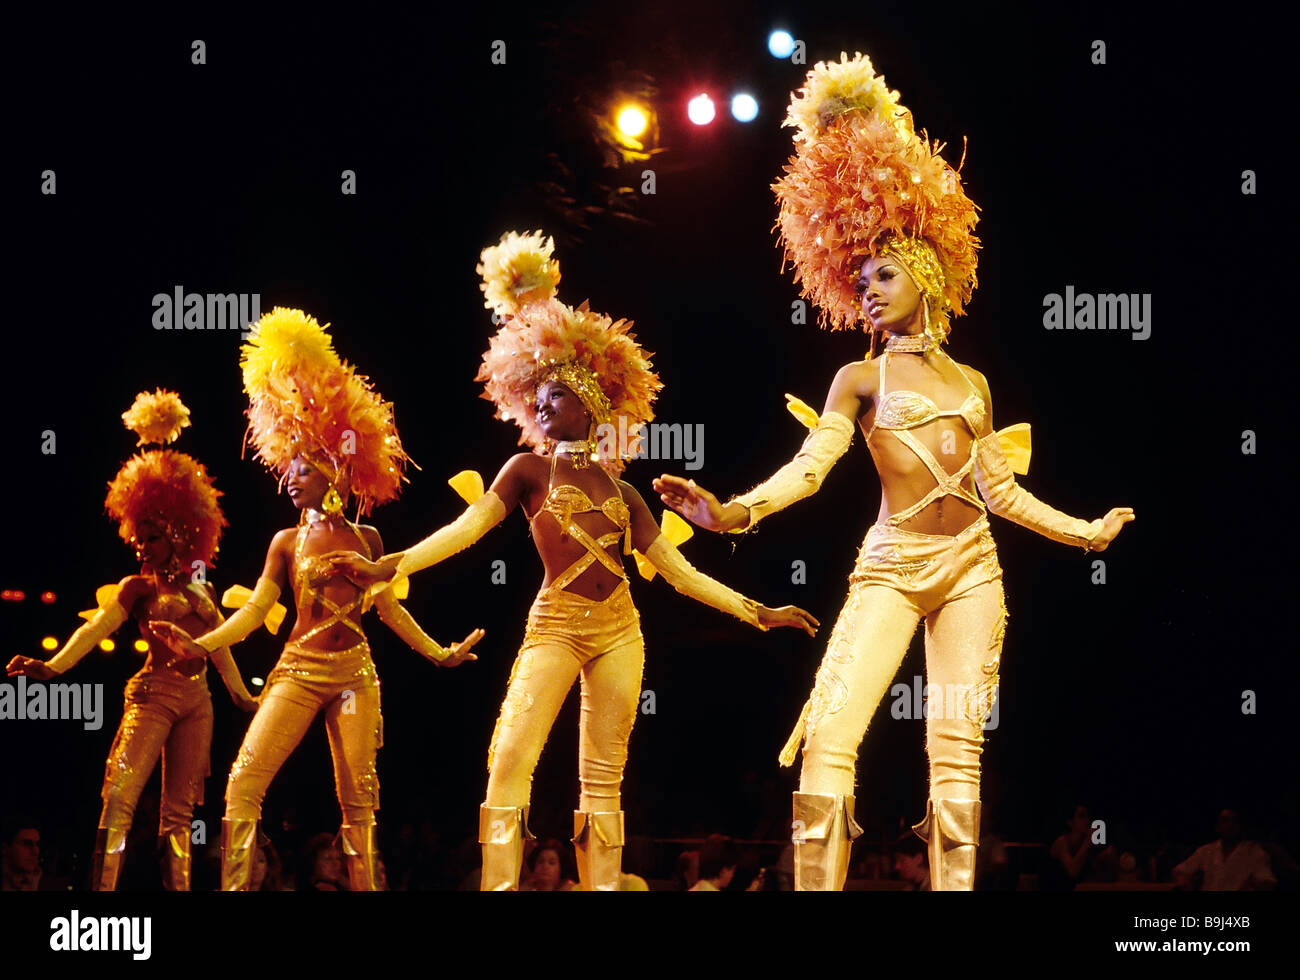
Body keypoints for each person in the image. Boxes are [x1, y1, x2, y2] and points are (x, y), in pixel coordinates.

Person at [654, 53, 1134, 891]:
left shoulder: (973, 385)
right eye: (860, 281)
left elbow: (1001, 493)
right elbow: (812, 468)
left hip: (972, 570)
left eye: (882, 275)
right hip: (890, 568)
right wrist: (732, 513)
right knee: (832, 734)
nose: (867, 292)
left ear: (927, 276)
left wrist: (1086, 534)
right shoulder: (858, 378)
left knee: (955, 753)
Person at [326, 232, 818, 891]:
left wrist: (759, 612)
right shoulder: (527, 468)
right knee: (508, 761)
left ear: (589, 404)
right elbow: (469, 527)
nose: (539, 406)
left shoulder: (624, 492)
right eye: (538, 397)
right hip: (555, 623)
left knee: (603, 779)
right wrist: (398, 563)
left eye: (555, 396)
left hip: (620, 630)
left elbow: (680, 573)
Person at [151, 308, 481, 890]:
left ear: (331, 471)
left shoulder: (368, 539)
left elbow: (388, 608)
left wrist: (438, 653)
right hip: (297, 671)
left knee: (360, 802)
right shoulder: (286, 540)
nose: (288, 481)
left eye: (299, 471)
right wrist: (200, 642)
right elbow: (255, 612)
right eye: (287, 473)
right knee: (242, 785)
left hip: (356, 674)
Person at [7, 390, 256, 890]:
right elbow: (95, 628)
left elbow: (219, 646)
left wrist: (243, 697)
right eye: (138, 535)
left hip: (198, 701)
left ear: (181, 535)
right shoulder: (135, 587)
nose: (142, 544)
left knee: (180, 814)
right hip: (153, 695)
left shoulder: (203, 589)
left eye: (152, 535)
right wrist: (53, 668)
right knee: (119, 795)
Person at [1173, 809, 1276, 891]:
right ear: (1218, 826)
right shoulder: (1207, 851)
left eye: (1234, 821)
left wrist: (1255, 885)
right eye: (1225, 821)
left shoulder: (1254, 852)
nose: (1230, 825)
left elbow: (1267, 881)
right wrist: (1184, 880)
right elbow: (1181, 870)